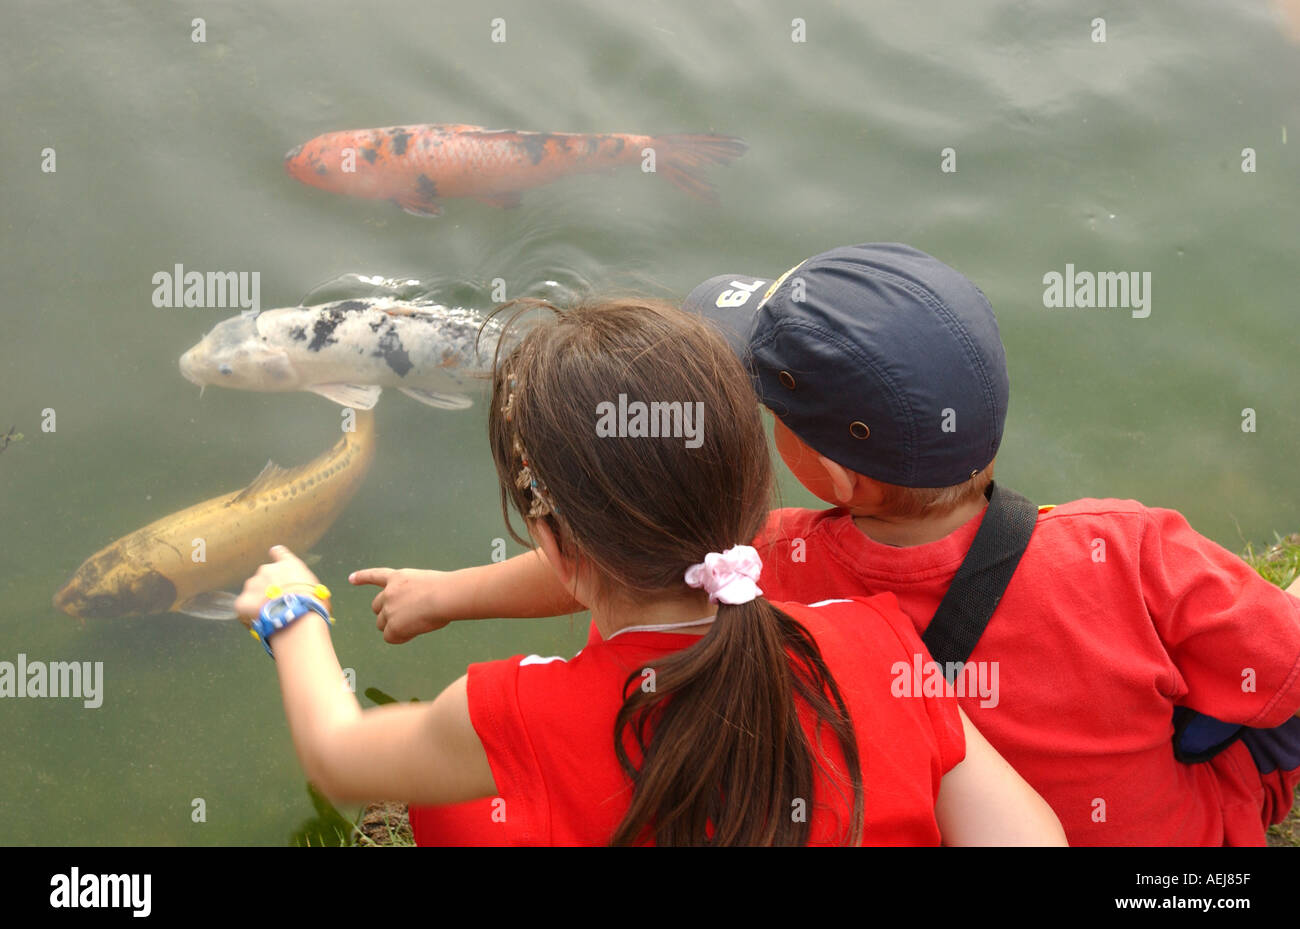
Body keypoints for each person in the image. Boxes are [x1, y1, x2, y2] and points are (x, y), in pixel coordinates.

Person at [352, 247, 1300, 846]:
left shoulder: (785, 557)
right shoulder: (1130, 551)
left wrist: (446, 594)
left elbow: (623, 558)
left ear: (830, 476)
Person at [241, 296, 1066, 846]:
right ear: (757, 503)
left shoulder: (517, 709)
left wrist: (292, 610)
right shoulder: (876, 637)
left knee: (450, 803)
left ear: (554, 545)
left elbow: (339, 754)